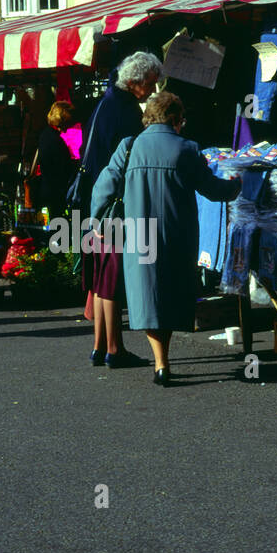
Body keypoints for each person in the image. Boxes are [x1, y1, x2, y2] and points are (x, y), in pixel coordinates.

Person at [92, 90, 241, 386]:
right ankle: (163, 361)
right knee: (173, 295)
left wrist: (96, 220)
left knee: (149, 296)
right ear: (174, 117)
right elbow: (211, 189)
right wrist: (235, 186)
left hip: (139, 235)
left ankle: (161, 362)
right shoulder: (187, 148)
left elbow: (104, 186)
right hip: (178, 233)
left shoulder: (129, 146)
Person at [77, 51, 164, 368]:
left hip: (96, 203)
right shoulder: (125, 110)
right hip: (113, 205)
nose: (153, 91)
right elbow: (126, 163)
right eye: (151, 84)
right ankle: (115, 349)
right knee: (111, 279)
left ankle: (100, 346)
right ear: (136, 81)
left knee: (100, 278)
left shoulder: (105, 101)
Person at [31, 100, 76, 218]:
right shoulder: (55, 140)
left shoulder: (45, 134)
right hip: (55, 194)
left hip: (46, 191)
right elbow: (63, 169)